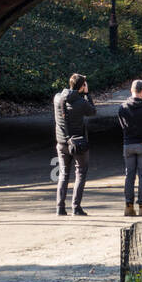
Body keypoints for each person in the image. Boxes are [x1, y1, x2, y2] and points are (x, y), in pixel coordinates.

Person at [53, 73, 96, 216]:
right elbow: (92, 111)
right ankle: (76, 207)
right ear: (82, 86)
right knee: (81, 174)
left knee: (64, 174)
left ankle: (60, 207)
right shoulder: (81, 102)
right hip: (78, 143)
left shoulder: (57, 98)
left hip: (62, 143)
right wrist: (87, 94)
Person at [117, 79, 142, 217]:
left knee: (129, 176)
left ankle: (128, 206)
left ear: (131, 90)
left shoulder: (122, 107)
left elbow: (122, 126)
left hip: (128, 144)